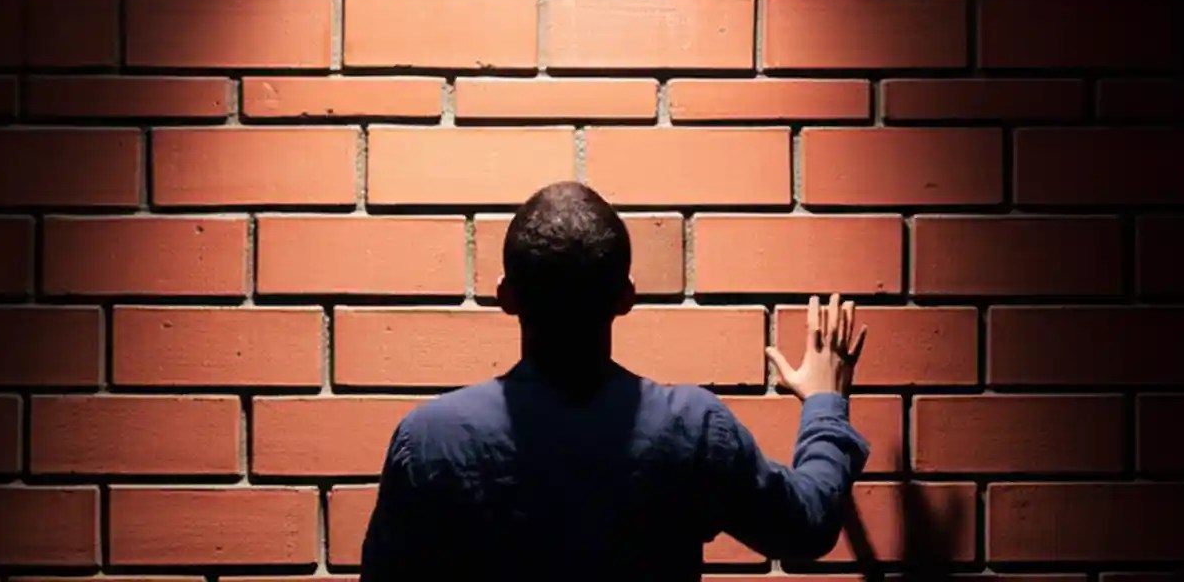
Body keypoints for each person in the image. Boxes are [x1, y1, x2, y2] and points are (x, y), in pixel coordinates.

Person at [361, 181, 870, 580]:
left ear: (506, 297)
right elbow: (806, 525)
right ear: (626, 298)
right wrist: (825, 403)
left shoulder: (430, 439)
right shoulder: (690, 429)